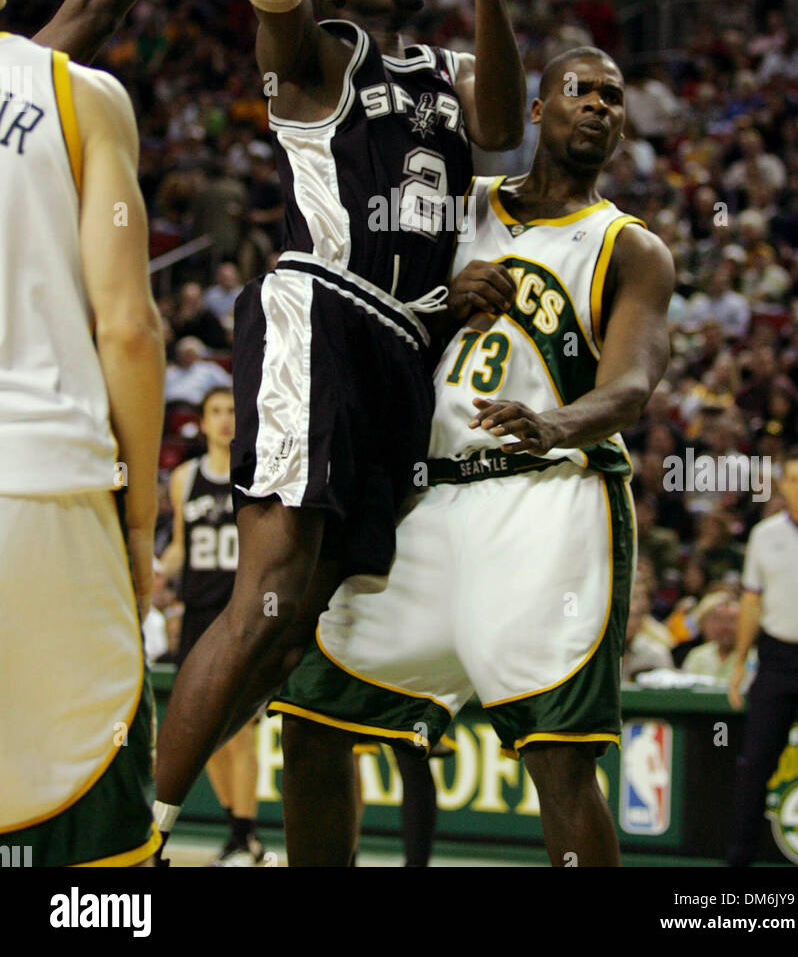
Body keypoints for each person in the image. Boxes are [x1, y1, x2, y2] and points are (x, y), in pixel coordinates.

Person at [151, 0, 533, 854]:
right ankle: (141, 830)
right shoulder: (321, 58)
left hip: (401, 349)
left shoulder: (445, 65)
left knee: (298, 612)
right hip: (320, 312)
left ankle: (248, 819)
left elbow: (506, 132)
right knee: (265, 585)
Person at [274, 47, 675, 867]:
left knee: (558, 760)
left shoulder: (629, 248)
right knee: (312, 719)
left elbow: (631, 387)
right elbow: (376, 311)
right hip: (425, 501)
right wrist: (442, 304)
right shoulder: (457, 208)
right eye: (579, 90)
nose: (598, 105)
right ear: (535, 109)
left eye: (613, 96)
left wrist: (557, 424)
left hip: (543, 501)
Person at [0, 26, 165, 865]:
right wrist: (139, 523)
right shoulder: (77, 95)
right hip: (47, 490)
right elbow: (129, 329)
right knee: (93, 855)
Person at [159, 386, 265, 867]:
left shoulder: (254, 472)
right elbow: (182, 544)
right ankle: (236, 831)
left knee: (239, 732)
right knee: (207, 737)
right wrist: (156, 569)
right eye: (216, 412)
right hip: (198, 613)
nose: (225, 419)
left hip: (238, 613)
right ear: (201, 422)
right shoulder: (183, 478)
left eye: (232, 411)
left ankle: (246, 836)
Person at [726, 447, 798, 867]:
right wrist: (740, 664)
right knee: (754, 765)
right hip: (776, 658)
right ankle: (739, 860)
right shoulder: (764, 535)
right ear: (783, 485)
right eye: (793, 480)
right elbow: (751, 604)